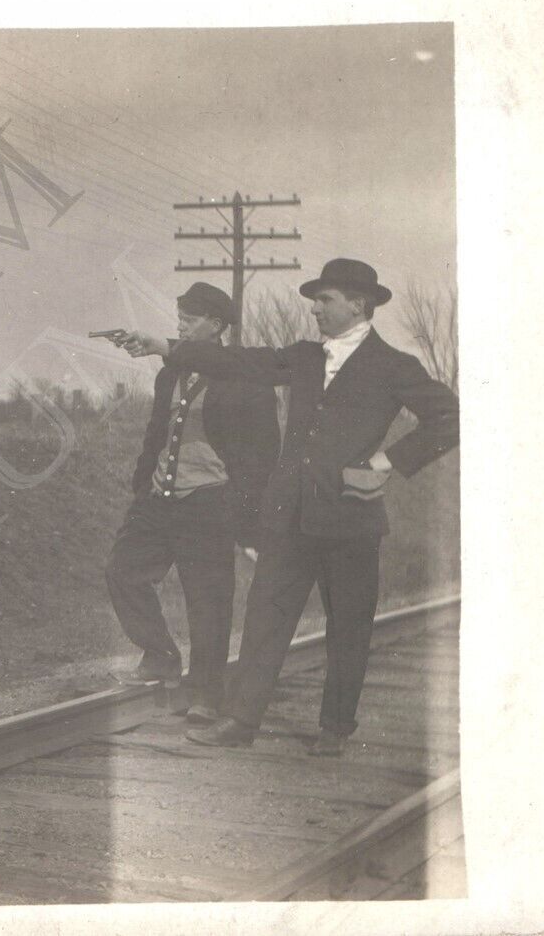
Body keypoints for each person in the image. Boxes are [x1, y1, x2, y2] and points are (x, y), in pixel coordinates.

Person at [117, 259, 458, 755]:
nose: (315, 308)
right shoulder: (303, 357)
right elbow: (242, 363)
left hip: (349, 519)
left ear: (357, 305)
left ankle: (335, 729)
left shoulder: (395, 366)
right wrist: (168, 347)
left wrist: (383, 463)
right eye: (315, 300)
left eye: (325, 299)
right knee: (264, 619)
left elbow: (448, 417)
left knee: (348, 626)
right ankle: (240, 722)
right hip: (289, 516)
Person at [104, 282, 280, 725]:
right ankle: (161, 656)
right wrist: (143, 481)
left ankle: (206, 692)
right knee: (123, 570)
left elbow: (262, 454)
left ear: (216, 326)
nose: (181, 322)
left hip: (210, 502)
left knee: (208, 598)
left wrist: (245, 514)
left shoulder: (245, 378)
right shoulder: (170, 372)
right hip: (160, 497)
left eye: (192, 317)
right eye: (180, 314)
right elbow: (157, 430)